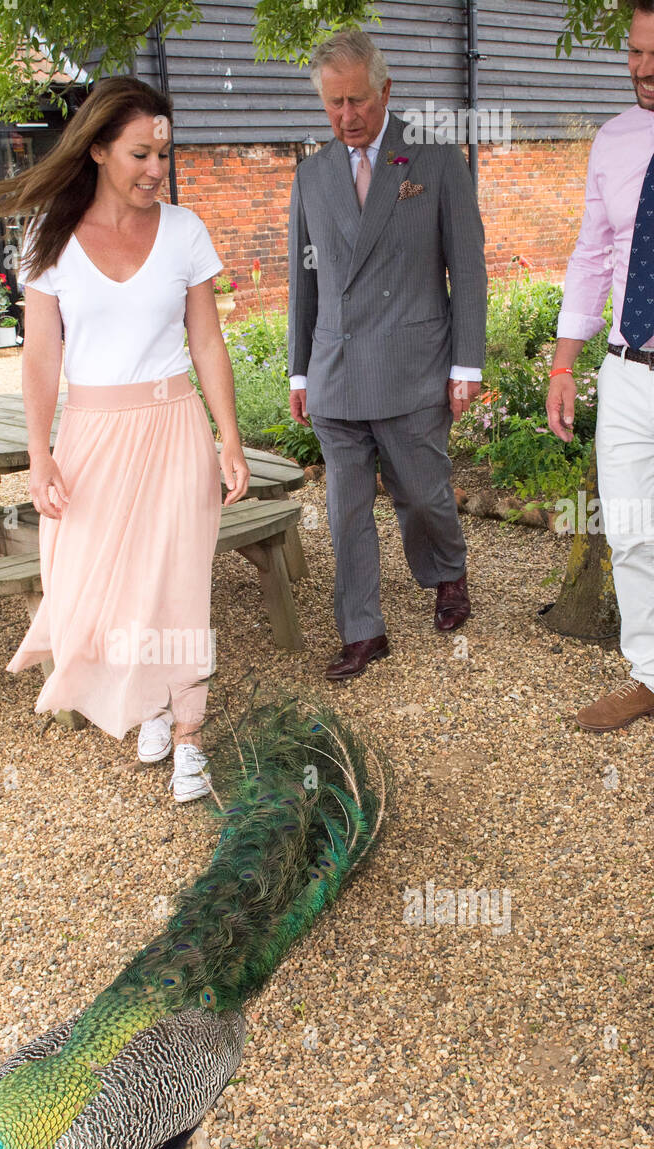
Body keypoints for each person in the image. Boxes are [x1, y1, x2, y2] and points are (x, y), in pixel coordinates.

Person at [0, 76, 249, 803]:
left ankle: (188, 729)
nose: (155, 170)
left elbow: (207, 338)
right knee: (97, 589)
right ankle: (151, 703)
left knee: (177, 584)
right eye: (140, 153)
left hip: (173, 428)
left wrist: (229, 438)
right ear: (99, 149)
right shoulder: (52, 241)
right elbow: (41, 356)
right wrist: (38, 453)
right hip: (91, 435)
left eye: (163, 153)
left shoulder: (187, 231)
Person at [288, 29, 487, 679]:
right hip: (336, 372)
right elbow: (304, 282)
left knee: (424, 495)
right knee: (345, 512)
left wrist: (467, 363)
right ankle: (363, 631)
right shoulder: (312, 175)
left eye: (357, 101)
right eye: (333, 103)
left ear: (386, 91)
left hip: (413, 364)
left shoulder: (433, 161)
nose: (347, 117)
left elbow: (469, 269)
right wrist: (298, 369)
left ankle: (446, 572)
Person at [547, 0, 654, 733]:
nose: (642, 70)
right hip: (626, 370)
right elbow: (593, 253)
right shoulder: (614, 142)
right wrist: (564, 364)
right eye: (635, 53)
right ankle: (650, 672)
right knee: (631, 528)